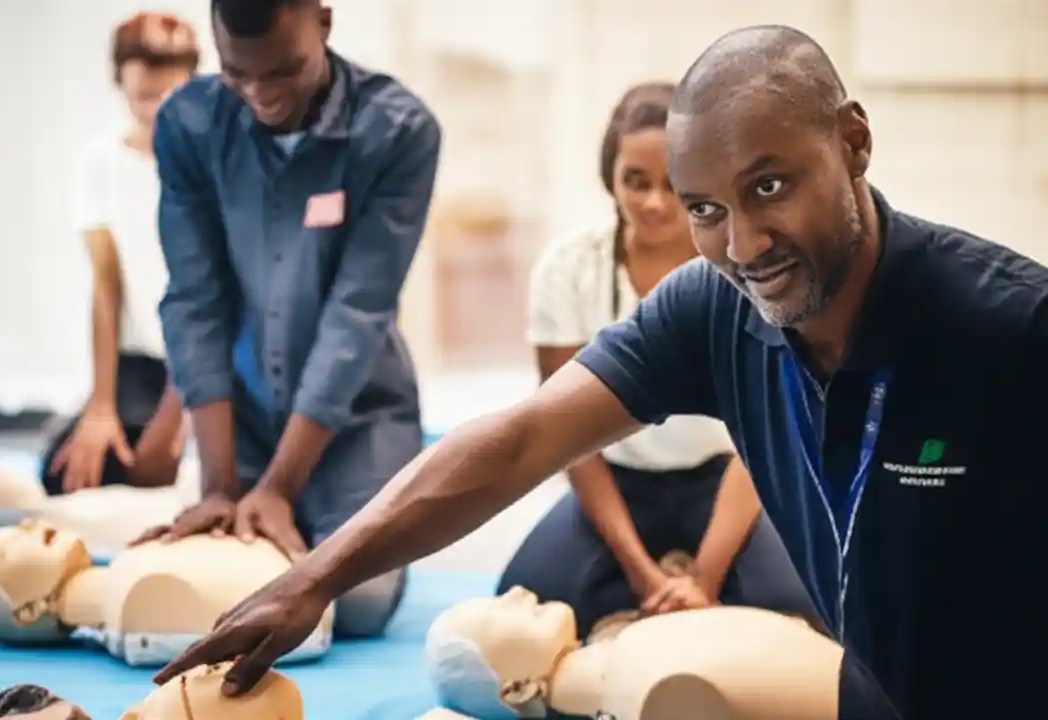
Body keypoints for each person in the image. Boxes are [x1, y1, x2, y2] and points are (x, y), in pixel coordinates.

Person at [153, 25, 1048, 720]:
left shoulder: (1006, 326)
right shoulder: (715, 306)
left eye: (771, 186)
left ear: (854, 142)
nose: (742, 245)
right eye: (707, 209)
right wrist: (315, 578)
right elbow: (521, 439)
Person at [136, 0, 441, 640]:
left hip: (357, 415)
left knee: (356, 604)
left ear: (324, 24)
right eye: (236, 74)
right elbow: (195, 299)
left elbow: (357, 312)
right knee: (214, 581)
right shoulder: (188, 125)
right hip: (240, 416)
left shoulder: (398, 130)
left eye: (282, 70)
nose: (260, 93)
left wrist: (278, 486)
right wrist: (220, 485)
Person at [499, 81, 816, 636]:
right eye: (635, 181)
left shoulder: (753, 267)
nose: (653, 202)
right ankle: (657, 580)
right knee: (518, 600)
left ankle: (687, 580)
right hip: (618, 484)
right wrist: (644, 575)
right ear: (610, 177)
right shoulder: (566, 268)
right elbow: (565, 436)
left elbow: (764, 441)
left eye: (672, 184)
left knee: (805, 606)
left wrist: (707, 577)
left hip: (728, 483)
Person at [40, 12, 200, 495]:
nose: (156, 111)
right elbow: (106, 285)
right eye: (144, 97)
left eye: (168, 96)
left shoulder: (210, 159)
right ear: (120, 82)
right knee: (69, 471)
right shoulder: (100, 163)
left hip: (212, 355)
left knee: (201, 471)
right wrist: (100, 406)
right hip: (145, 361)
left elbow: (217, 294)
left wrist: (180, 416)